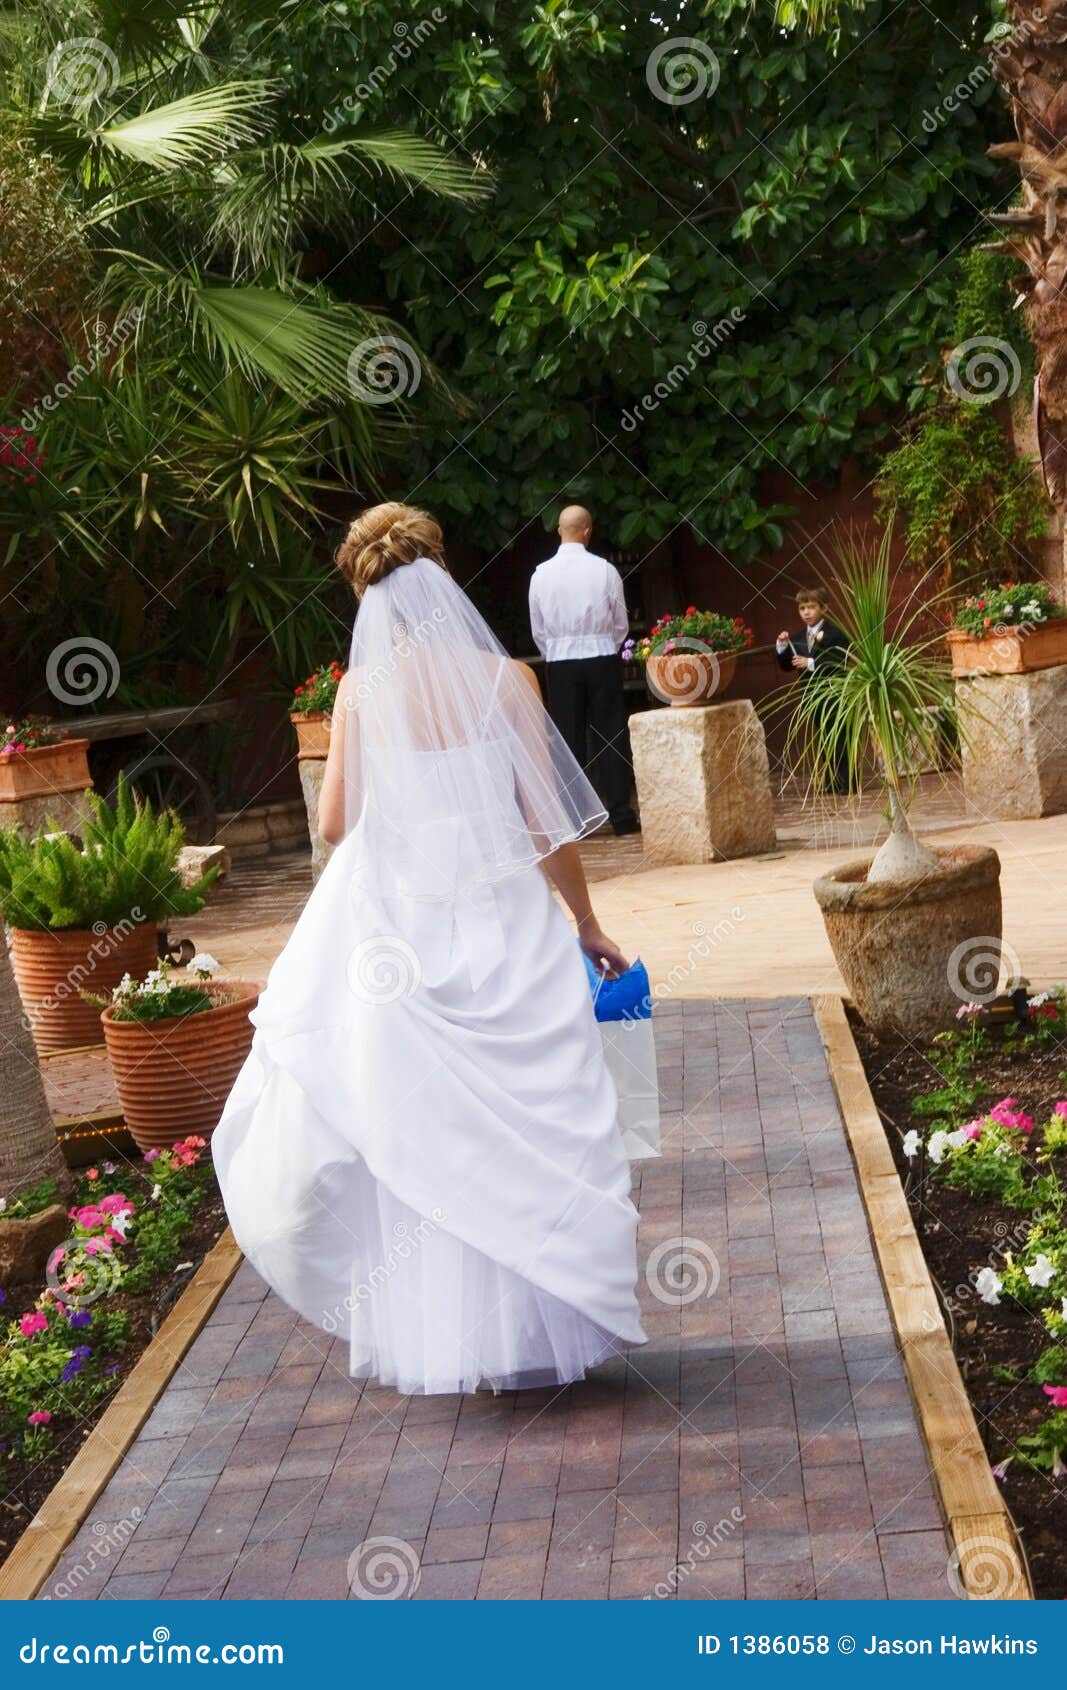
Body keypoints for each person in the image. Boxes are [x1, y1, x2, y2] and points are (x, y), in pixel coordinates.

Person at [212, 502, 647, 1397]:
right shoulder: (506, 681)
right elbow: (546, 825)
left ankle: (458, 1341)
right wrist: (586, 924)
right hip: (507, 927)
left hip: (404, 938)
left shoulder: (360, 691)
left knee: (425, 1137)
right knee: (536, 1127)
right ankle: (546, 1327)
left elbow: (337, 822)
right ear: (442, 573)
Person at [529, 506, 640, 835]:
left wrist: (556, 650)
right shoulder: (604, 570)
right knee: (611, 735)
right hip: (601, 655)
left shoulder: (540, 574)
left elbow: (539, 629)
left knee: (567, 739)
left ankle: (572, 820)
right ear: (588, 531)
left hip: (560, 660)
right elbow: (620, 622)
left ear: (559, 531)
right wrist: (605, 643)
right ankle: (621, 815)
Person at [776, 585, 850, 794]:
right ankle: (830, 781)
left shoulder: (836, 634)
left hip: (833, 693)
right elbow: (788, 665)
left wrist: (810, 662)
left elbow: (840, 659)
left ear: (824, 608)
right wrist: (782, 646)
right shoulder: (798, 637)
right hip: (811, 695)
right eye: (802, 608)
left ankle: (846, 782)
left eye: (811, 607)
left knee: (839, 735)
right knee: (823, 737)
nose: (807, 612)